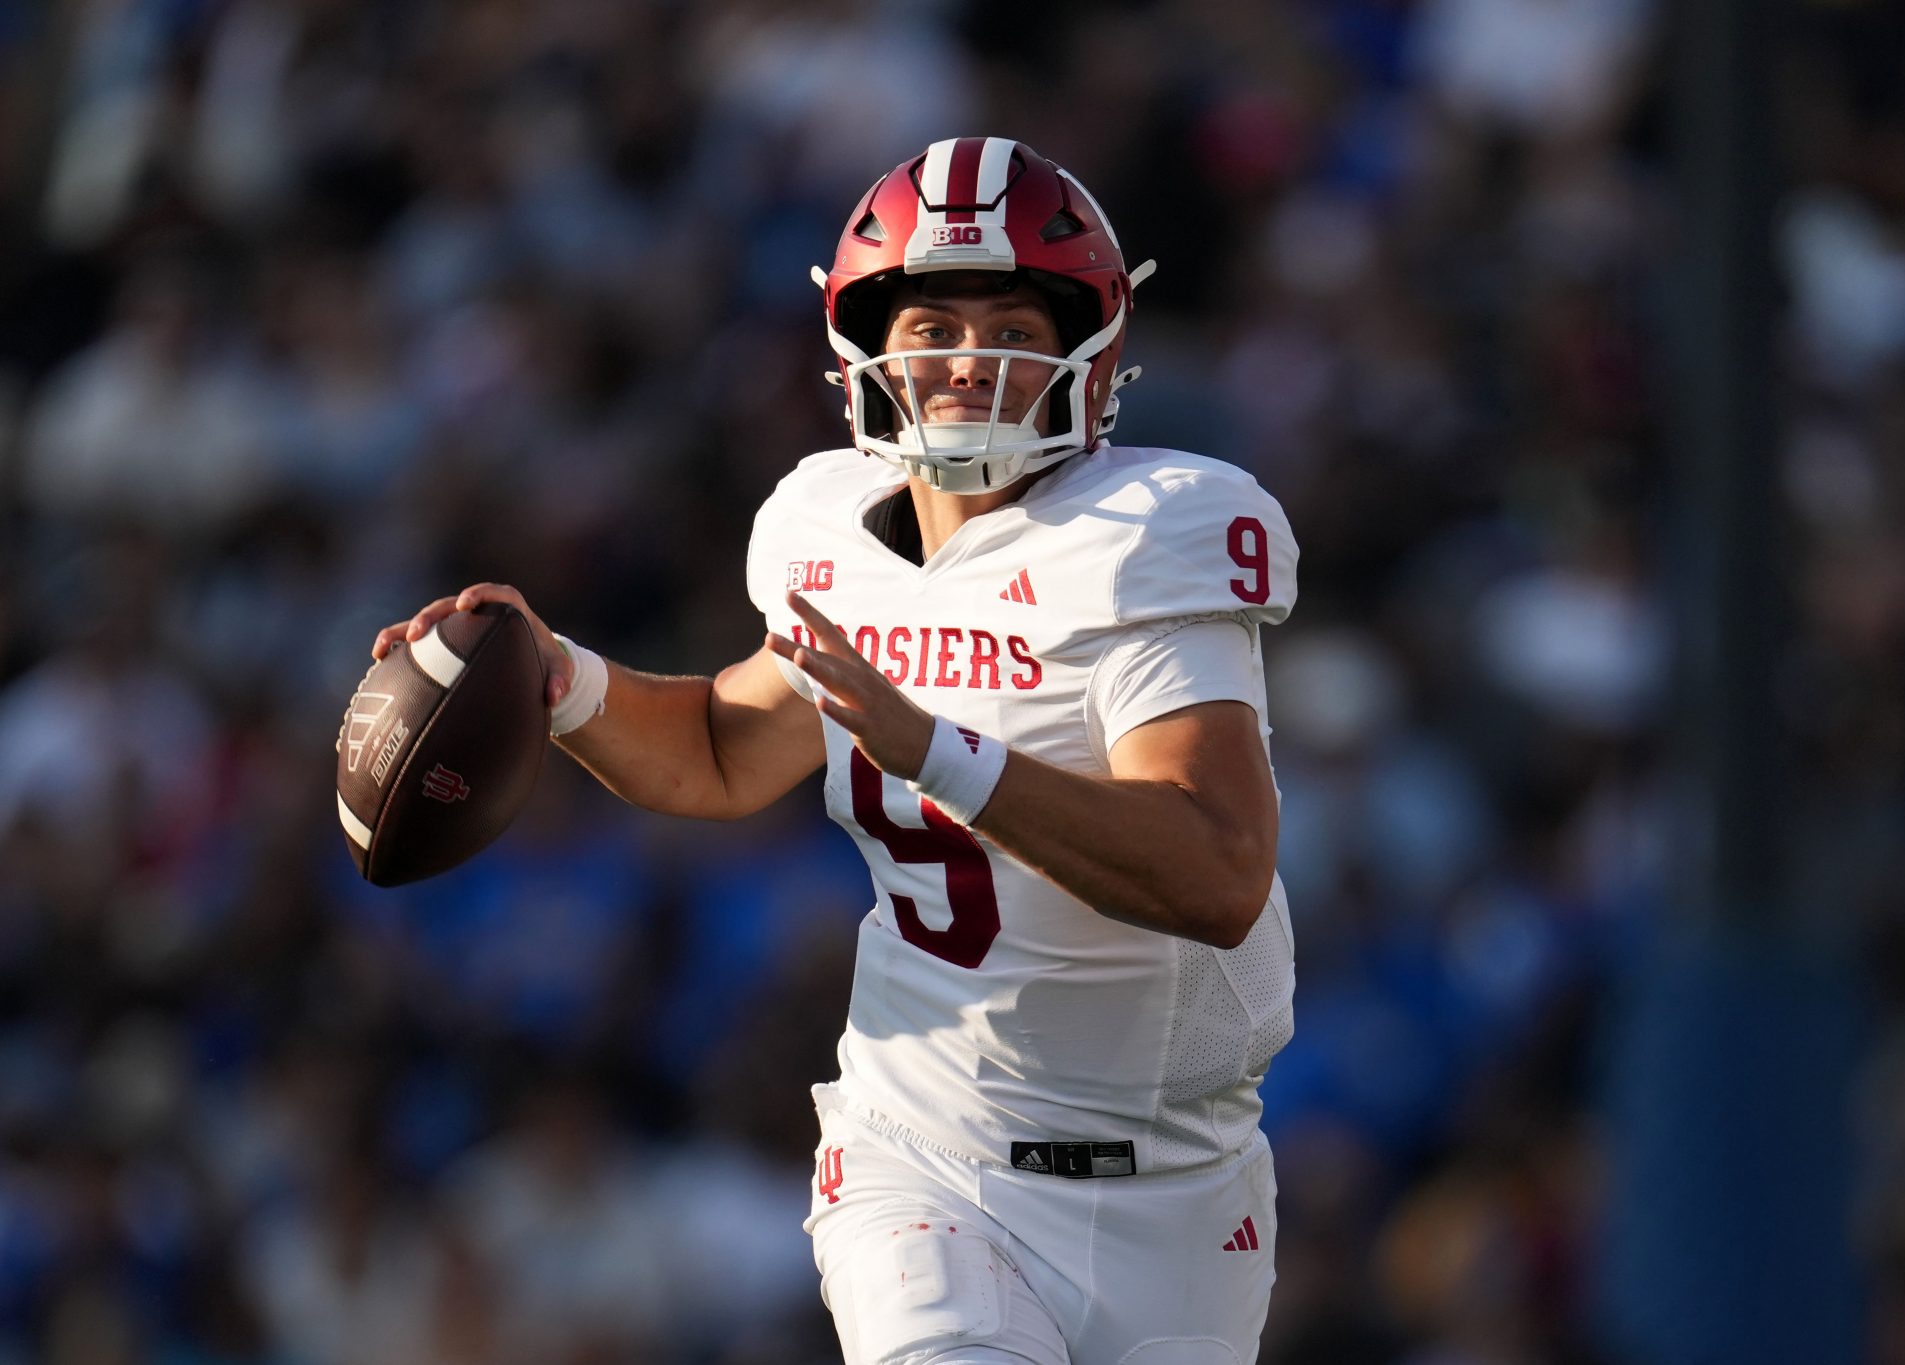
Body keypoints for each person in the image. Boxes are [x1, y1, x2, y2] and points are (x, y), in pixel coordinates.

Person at [372, 136, 1300, 1364]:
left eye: (1008, 322)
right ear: (866, 344)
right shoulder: (829, 533)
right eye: (929, 326)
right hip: (928, 1161)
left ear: (1091, 345)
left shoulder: (1141, 537)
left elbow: (1216, 871)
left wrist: (937, 750)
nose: (965, 361)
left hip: (1181, 1183)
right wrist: (563, 681)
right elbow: (716, 750)